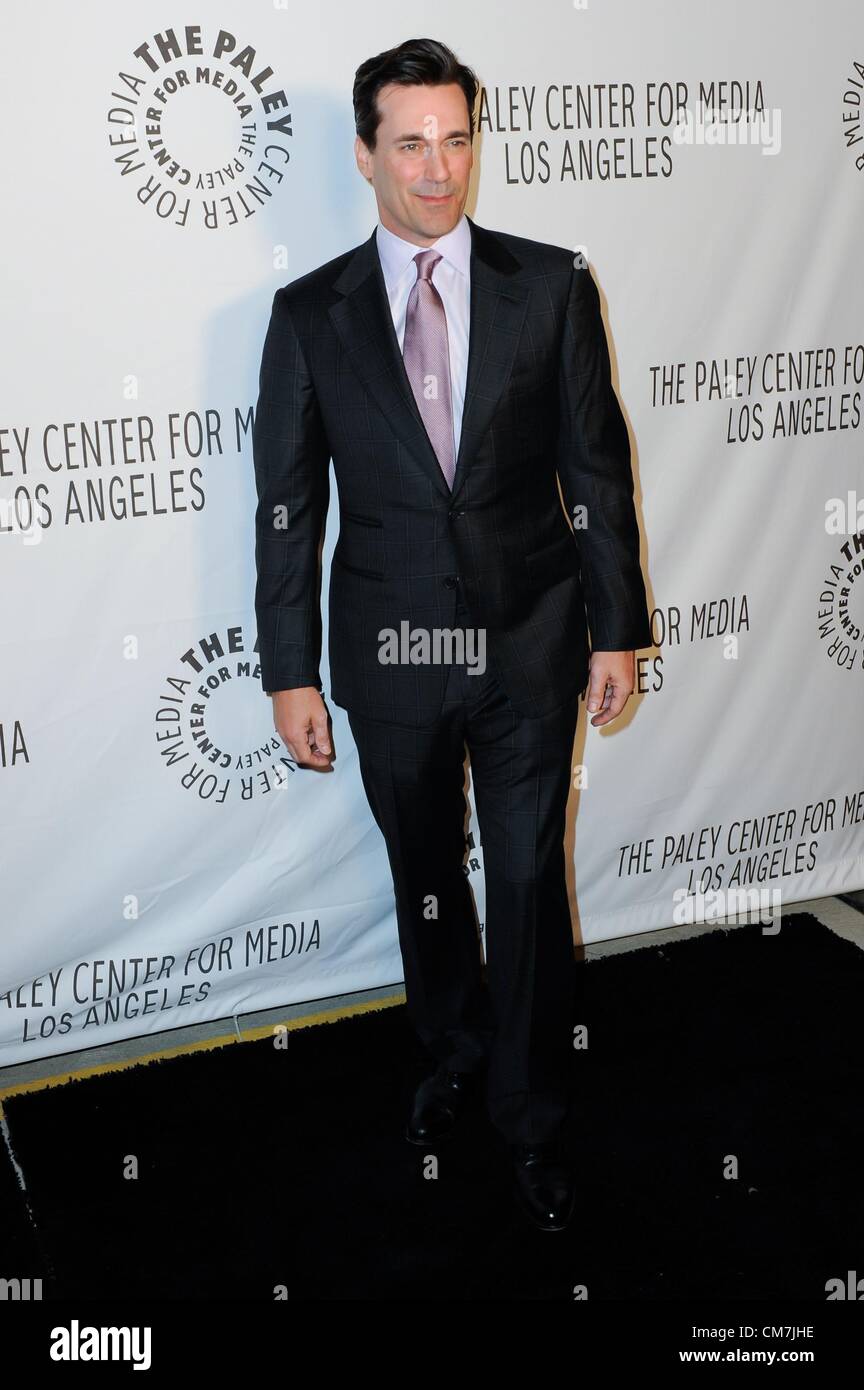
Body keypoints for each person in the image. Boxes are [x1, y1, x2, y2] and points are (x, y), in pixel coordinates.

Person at [252, 37, 653, 1232]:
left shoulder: (553, 284)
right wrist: (288, 671)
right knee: (427, 875)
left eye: (458, 138)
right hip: (390, 658)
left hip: (530, 638)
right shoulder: (308, 313)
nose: (439, 171)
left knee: (528, 876)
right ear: (366, 153)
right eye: (412, 143)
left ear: (478, 138)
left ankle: (529, 1115)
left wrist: (618, 626)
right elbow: (289, 502)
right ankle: (456, 1048)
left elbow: (598, 466)